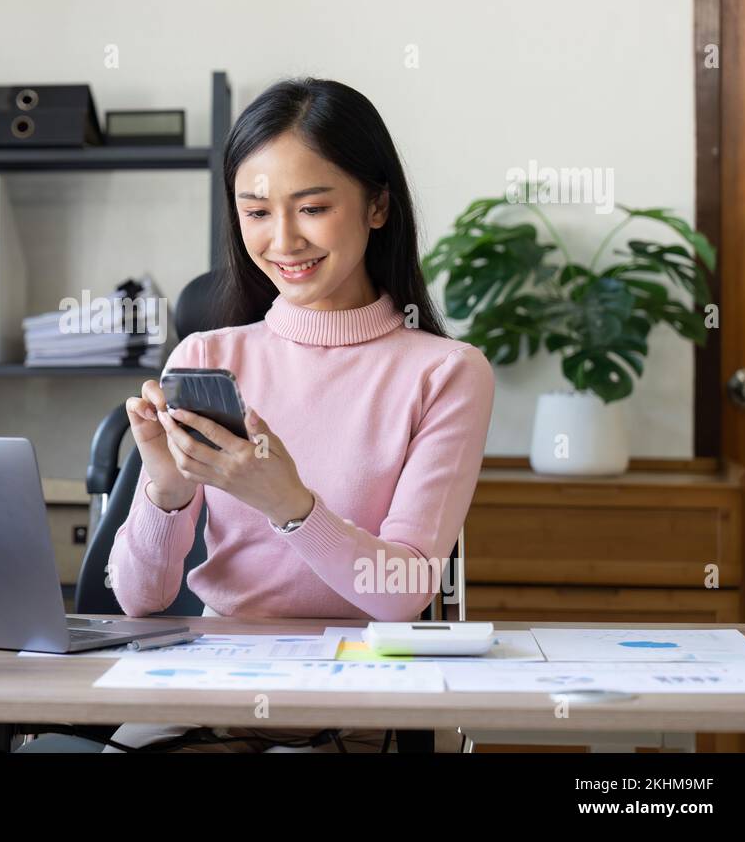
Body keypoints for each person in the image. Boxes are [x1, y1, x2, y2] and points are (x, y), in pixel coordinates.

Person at [103, 77, 495, 753]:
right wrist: (166, 492)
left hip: (357, 703)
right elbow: (138, 602)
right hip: (208, 689)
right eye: (256, 212)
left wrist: (287, 503)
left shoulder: (446, 372)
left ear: (377, 205)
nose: (283, 240)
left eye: (312, 207)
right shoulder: (207, 354)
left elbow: (401, 592)